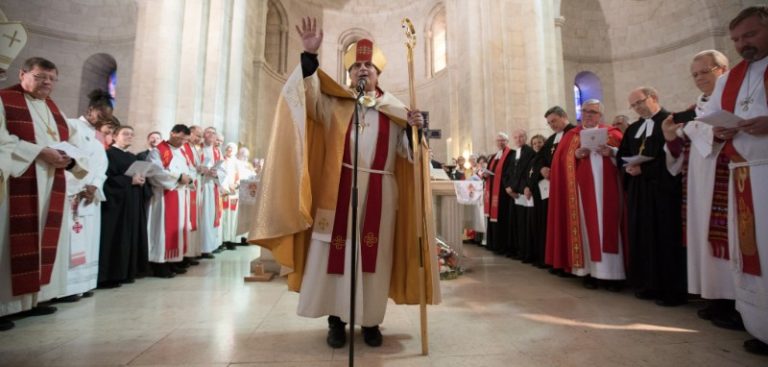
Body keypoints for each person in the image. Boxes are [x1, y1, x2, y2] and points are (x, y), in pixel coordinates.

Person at [247, 17, 441, 349]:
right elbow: (302, 100)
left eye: (369, 66)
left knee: (374, 257)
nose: (363, 70)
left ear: (378, 73)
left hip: (382, 193)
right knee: (334, 254)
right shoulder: (333, 102)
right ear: (349, 73)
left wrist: (417, 130)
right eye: (357, 67)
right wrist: (309, 57)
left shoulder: (396, 109)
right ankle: (336, 320)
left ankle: (370, 321)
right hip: (336, 191)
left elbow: (408, 155)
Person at [695, 6, 768, 355]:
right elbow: (720, 121)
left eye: (750, 35)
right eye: (737, 39)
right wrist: (722, 130)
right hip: (743, 176)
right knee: (751, 253)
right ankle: (761, 325)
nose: (742, 44)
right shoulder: (731, 78)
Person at [0, 57, 87, 331]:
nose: (46, 83)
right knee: (9, 243)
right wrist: (39, 151)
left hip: (51, 181)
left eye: (51, 78)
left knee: (43, 242)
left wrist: (70, 161)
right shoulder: (4, 99)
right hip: (19, 180)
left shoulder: (54, 109)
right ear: (23, 74)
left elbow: (73, 142)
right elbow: (2, 140)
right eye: (40, 77)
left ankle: (32, 299)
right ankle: (5, 305)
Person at [661, 50, 740, 329]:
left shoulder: (735, 100)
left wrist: (698, 130)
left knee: (729, 241)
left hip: (728, 184)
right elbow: (677, 155)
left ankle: (735, 303)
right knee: (702, 242)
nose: (699, 78)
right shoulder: (693, 111)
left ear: (723, 69)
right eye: (694, 74)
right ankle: (714, 298)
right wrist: (671, 137)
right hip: (696, 185)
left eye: (704, 72)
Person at [548, 100, 625, 290]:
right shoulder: (572, 136)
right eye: (585, 111)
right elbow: (561, 163)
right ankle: (589, 272)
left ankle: (613, 275)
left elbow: (626, 156)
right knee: (585, 228)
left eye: (592, 112)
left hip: (610, 191)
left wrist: (612, 152)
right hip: (582, 194)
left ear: (600, 115)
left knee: (611, 228)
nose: (588, 115)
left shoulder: (613, 134)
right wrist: (575, 155)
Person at [618, 87, 685, 306]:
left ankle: (671, 290)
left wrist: (644, 170)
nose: (637, 107)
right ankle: (647, 283)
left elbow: (676, 157)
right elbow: (623, 155)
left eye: (639, 102)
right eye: (633, 105)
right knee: (641, 235)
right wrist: (627, 168)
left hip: (663, 190)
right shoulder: (634, 127)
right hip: (638, 190)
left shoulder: (670, 121)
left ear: (654, 98)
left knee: (664, 236)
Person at [51, 89, 113, 302]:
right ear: (90, 110)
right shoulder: (71, 126)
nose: (103, 121)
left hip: (90, 196)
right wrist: (80, 186)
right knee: (70, 241)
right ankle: (66, 287)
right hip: (73, 194)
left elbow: (101, 167)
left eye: (106, 118)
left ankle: (84, 283)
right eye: (101, 116)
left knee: (88, 241)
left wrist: (94, 185)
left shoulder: (97, 140)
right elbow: (63, 155)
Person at [99, 125, 151, 287]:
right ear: (114, 136)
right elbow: (105, 179)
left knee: (129, 236)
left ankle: (127, 272)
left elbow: (138, 177)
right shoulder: (108, 155)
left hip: (132, 203)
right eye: (125, 134)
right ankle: (110, 275)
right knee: (115, 236)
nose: (129, 137)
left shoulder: (132, 157)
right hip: (116, 206)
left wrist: (142, 181)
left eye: (132, 135)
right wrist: (129, 181)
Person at [146, 124, 194, 278]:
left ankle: (173, 261)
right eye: (180, 138)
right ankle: (159, 264)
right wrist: (179, 177)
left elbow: (189, 170)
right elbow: (157, 172)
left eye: (185, 140)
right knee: (162, 230)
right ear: (172, 133)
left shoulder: (181, 152)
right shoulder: (158, 151)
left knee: (176, 231)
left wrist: (189, 178)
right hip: (164, 196)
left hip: (180, 195)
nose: (181, 142)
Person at [542, 106, 576, 275]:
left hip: (572, 188)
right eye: (549, 123)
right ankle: (560, 262)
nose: (552, 125)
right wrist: (543, 168)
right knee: (558, 223)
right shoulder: (551, 139)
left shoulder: (575, 133)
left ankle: (570, 264)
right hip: (555, 188)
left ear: (564, 116)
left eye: (554, 121)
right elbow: (540, 159)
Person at [504, 129, 535, 260]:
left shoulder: (530, 152)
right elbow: (508, 173)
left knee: (524, 225)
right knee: (514, 223)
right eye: (516, 137)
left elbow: (529, 173)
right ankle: (516, 250)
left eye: (521, 137)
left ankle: (526, 253)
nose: (518, 139)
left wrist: (521, 189)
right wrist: (507, 188)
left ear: (526, 138)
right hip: (513, 194)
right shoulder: (513, 154)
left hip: (523, 194)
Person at [483, 132, 514, 255]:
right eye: (498, 140)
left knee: (502, 218)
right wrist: (486, 175)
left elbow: (510, 172)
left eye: (503, 140)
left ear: (507, 142)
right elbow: (491, 171)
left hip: (503, 192)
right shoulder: (493, 156)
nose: (500, 142)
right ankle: (493, 243)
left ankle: (502, 245)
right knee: (492, 217)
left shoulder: (511, 154)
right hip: (492, 191)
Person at [198, 127, 222, 258]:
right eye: (208, 133)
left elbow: (223, 170)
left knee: (210, 217)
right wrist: (203, 171)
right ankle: (200, 248)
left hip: (212, 186)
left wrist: (216, 172)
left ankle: (208, 247)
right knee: (203, 217)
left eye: (214, 133)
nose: (211, 135)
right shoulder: (198, 149)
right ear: (204, 135)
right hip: (201, 186)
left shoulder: (217, 152)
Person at [182, 125, 203, 265]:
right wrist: (197, 170)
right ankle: (185, 254)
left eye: (200, 136)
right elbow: (186, 167)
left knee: (194, 219)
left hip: (196, 185)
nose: (199, 139)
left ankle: (191, 252)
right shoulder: (184, 148)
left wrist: (201, 169)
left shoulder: (194, 149)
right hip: (187, 187)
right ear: (189, 134)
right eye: (197, 135)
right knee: (187, 219)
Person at [220, 142, 240, 250]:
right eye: (228, 148)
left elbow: (239, 176)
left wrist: (236, 185)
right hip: (223, 192)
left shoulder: (236, 162)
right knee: (224, 216)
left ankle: (231, 240)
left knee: (232, 216)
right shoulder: (221, 160)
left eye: (232, 149)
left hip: (233, 193)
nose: (229, 150)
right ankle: (223, 240)